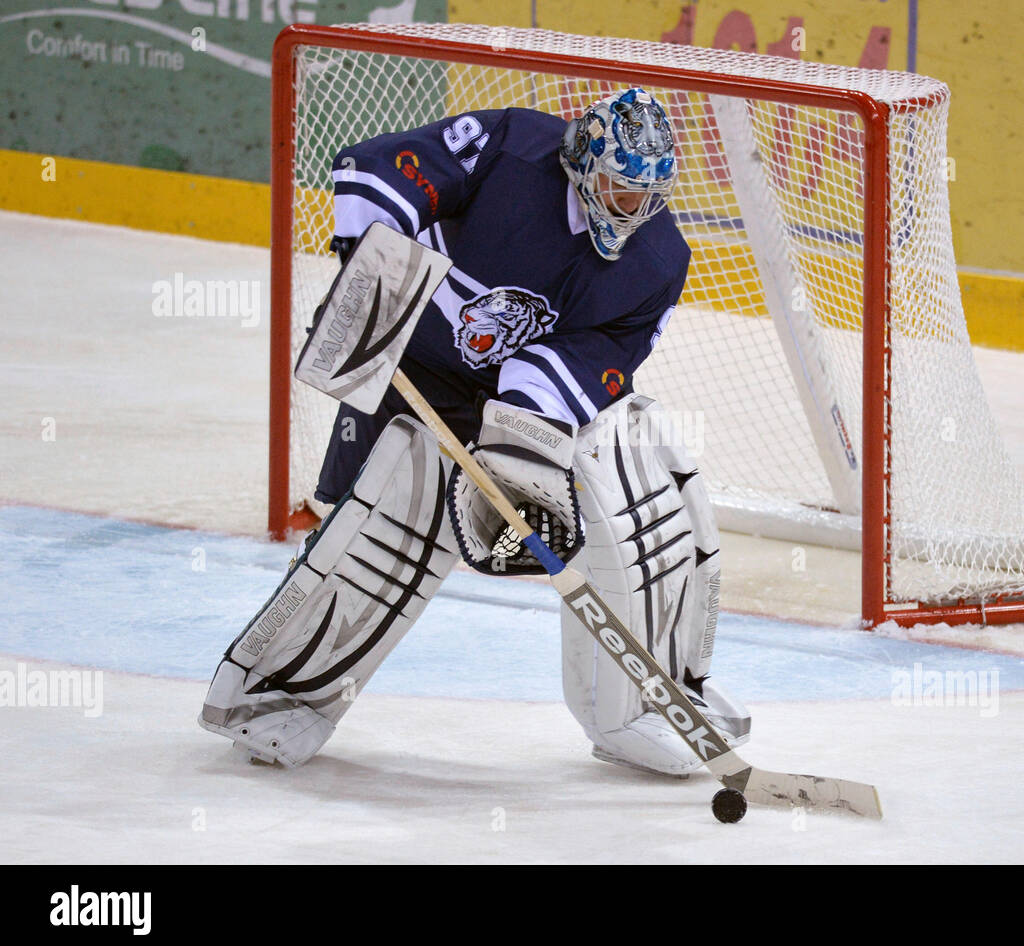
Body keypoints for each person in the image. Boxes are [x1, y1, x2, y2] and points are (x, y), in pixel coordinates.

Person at [199, 88, 749, 778]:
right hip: (409, 362)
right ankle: (273, 693)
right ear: (583, 161)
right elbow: (389, 167)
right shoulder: (514, 147)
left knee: (642, 482)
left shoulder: (659, 262)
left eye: (644, 196)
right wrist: (375, 280)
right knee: (371, 531)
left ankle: (642, 704)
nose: (628, 209)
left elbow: (601, 357)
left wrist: (520, 446)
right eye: (617, 188)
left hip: (509, 396)